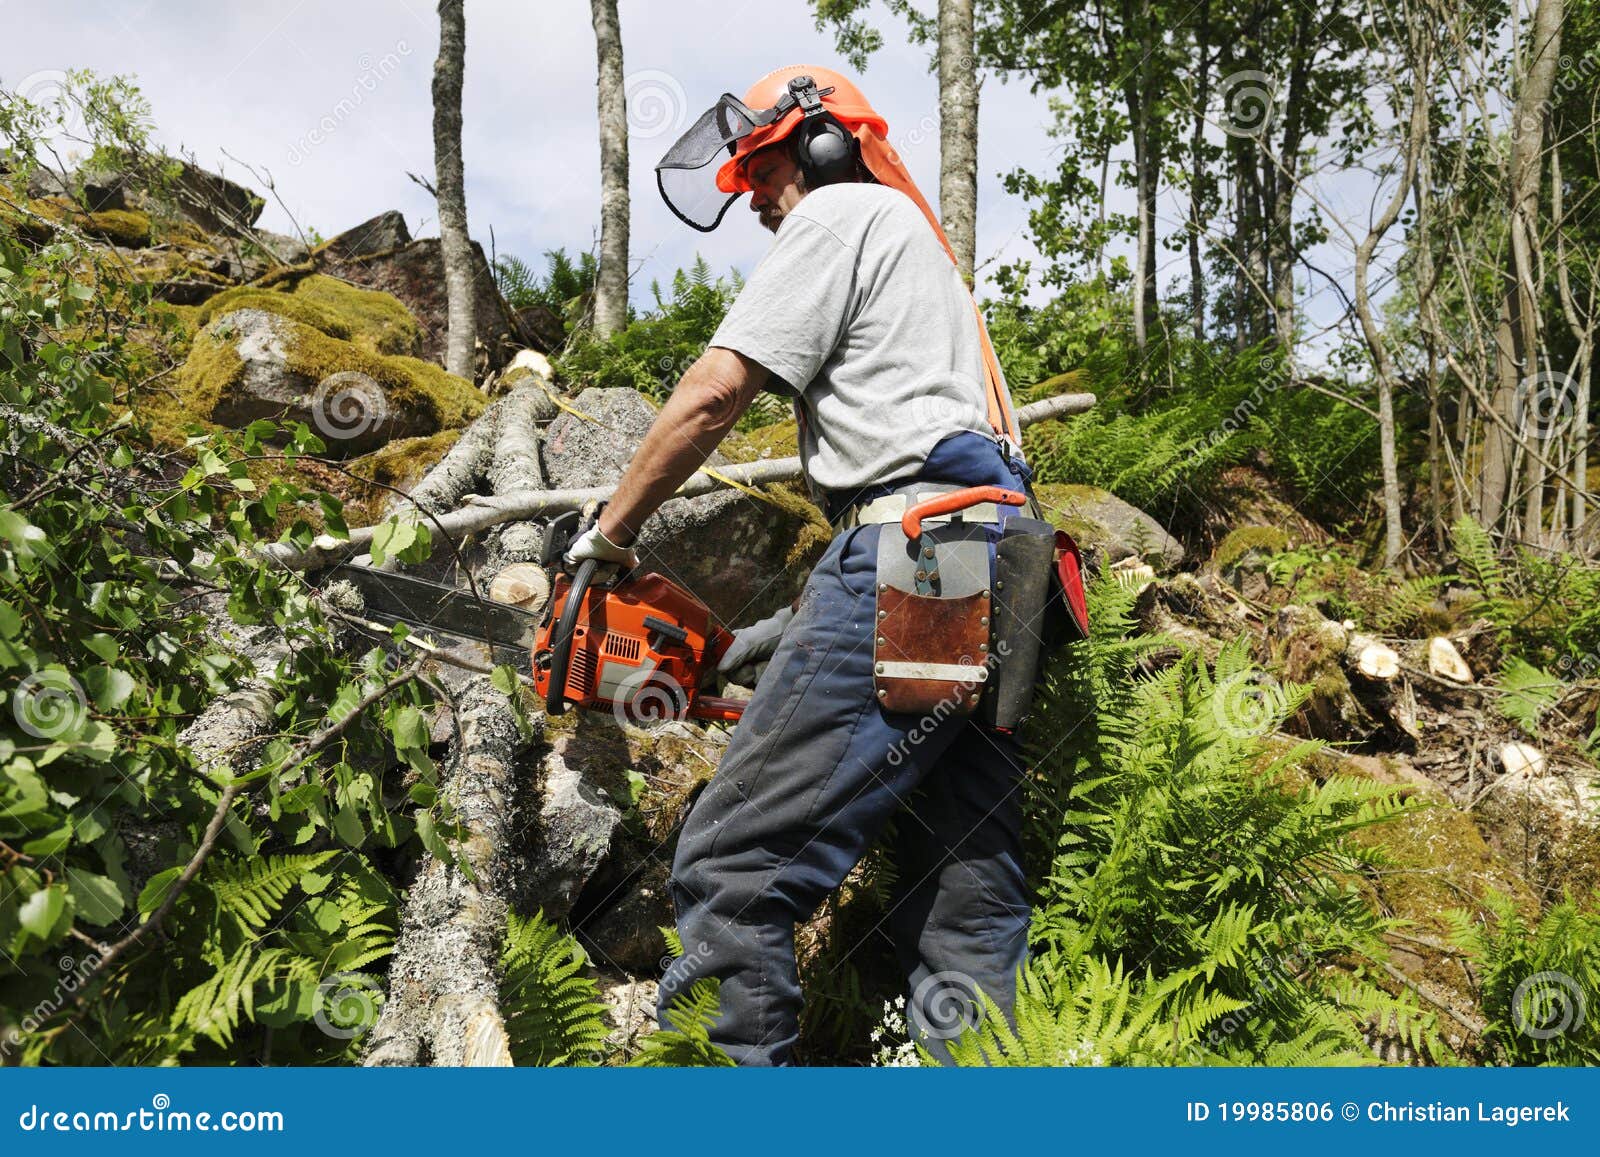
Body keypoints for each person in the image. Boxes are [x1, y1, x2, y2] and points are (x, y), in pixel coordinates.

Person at [564, 65, 1038, 1066]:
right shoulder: (922, 260)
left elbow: (712, 395)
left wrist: (608, 538)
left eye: (768, 171)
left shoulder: (844, 213)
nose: (763, 203)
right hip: (1003, 564)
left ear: (825, 145)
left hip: (920, 554)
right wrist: (754, 646)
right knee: (970, 874)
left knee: (735, 861)